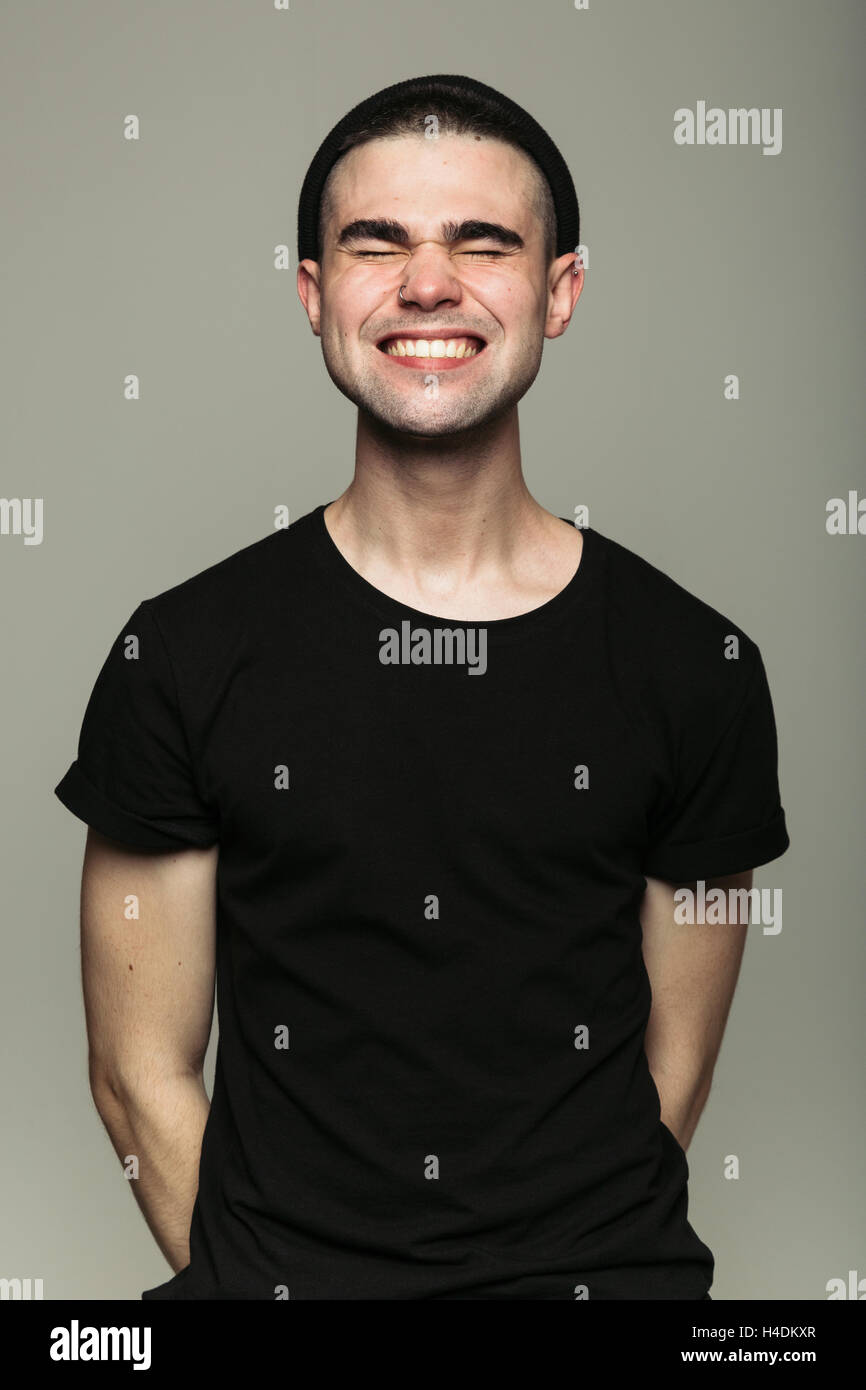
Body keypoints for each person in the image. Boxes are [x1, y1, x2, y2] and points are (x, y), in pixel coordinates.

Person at [54, 74, 790, 1300]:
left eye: (482, 241)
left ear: (559, 293)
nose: (428, 282)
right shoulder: (177, 656)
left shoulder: (695, 667)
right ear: (312, 293)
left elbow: (669, 1073)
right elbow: (139, 1074)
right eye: (376, 242)